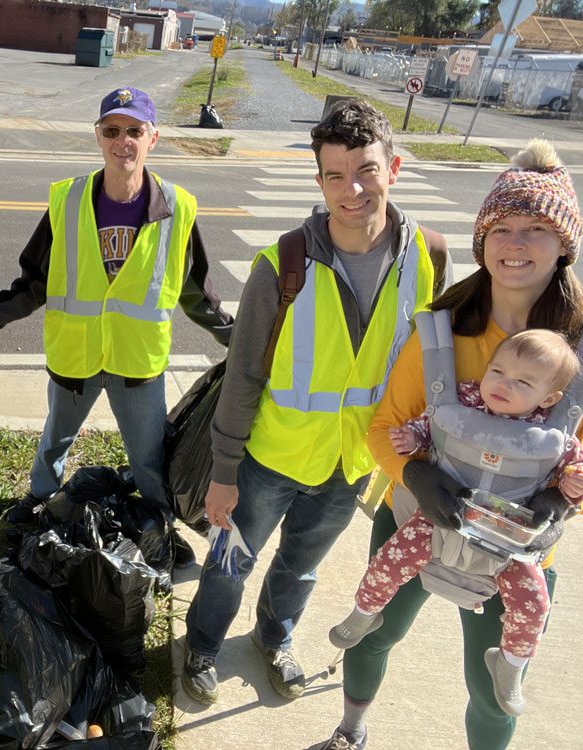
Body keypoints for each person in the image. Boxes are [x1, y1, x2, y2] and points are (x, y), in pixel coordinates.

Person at [313, 138, 583, 750]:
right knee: (374, 629)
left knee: (491, 683)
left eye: (536, 228)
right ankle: (350, 731)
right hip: (416, 517)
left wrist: (561, 504)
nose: (516, 243)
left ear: (564, 243)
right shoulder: (440, 330)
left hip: (515, 546)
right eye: (503, 227)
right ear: (482, 239)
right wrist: (416, 477)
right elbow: (385, 427)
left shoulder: (580, 349)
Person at [182, 99, 451, 705]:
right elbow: (244, 375)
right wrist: (224, 474)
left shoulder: (429, 258)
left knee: (300, 567)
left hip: (351, 463)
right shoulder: (283, 263)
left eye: (365, 169)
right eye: (335, 174)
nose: (351, 189)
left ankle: (273, 638)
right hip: (270, 459)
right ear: (320, 181)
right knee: (230, 562)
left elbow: (432, 368)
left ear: (395, 168)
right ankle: (201, 645)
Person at [0, 86, 233, 567]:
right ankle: (37, 504)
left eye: (134, 130)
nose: (123, 141)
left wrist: (236, 341)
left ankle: (156, 526)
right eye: (112, 130)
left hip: (138, 365)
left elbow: (196, 293)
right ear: (98, 137)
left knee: (148, 459)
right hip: (77, 357)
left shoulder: (177, 209)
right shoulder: (69, 201)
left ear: (152, 138)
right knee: (55, 439)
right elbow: (33, 283)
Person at [330, 328, 583, 717]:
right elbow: (429, 423)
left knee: (534, 603)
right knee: (390, 560)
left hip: (508, 536)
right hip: (442, 514)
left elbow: (573, 477)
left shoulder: (558, 433)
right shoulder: (466, 398)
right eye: (497, 371)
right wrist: (410, 441)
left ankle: (510, 664)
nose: (502, 384)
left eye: (522, 382)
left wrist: (570, 489)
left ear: (549, 398)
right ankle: (364, 612)